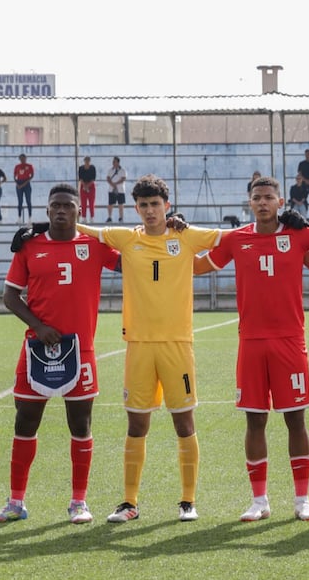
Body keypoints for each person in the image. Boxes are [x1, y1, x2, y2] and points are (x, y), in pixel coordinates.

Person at [194, 176, 309, 522]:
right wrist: (170, 241)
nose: (262, 202)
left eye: (268, 197)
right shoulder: (237, 239)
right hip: (250, 343)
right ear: (249, 203)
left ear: (280, 202)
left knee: (296, 419)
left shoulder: (299, 234)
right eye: (257, 197)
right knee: (255, 420)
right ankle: (259, 500)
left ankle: (302, 500)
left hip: (290, 342)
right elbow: (197, 265)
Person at [76, 175, 223, 523]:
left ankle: (188, 501)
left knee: (184, 423)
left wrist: (281, 223)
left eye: (155, 204)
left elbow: (230, 239)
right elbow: (82, 229)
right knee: (136, 424)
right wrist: (38, 229)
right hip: (139, 345)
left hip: (177, 345)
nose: (149, 211)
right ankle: (129, 503)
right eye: (143, 205)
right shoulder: (127, 239)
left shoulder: (185, 238)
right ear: (136, 208)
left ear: (167, 206)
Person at [0, 185, 120, 524]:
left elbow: (137, 255)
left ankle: (79, 502)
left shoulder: (95, 245)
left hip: (81, 351)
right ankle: (15, 502)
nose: (61, 210)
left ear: (78, 211)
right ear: (47, 211)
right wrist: (39, 326)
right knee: (25, 422)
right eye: (55, 206)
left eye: (68, 206)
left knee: (80, 424)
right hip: (36, 349)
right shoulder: (29, 246)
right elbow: (10, 296)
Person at [14, 153, 34, 223]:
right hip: (19, 184)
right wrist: (17, 184)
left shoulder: (29, 166)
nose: (22, 160)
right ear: (19, 159)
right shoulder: (17, 166)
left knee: (28, 201)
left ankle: (30, 218)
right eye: (21, 158)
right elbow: (15, 176)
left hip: (26, 184)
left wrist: (25, 183)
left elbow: (31, 176)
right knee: (20, 201)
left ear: (26, 158)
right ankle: (19, 217)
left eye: (23, 158)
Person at [105, 156, 126, 223]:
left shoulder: (122, 170)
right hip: (111, 189)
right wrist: (113, 185)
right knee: (110, 203)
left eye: (114, 161)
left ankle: (121, 217)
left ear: (118, 162)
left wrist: (115, 184)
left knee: (121, 204)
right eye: (113, 162)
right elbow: (108, 178)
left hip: (120, 189)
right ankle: (109, 217)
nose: (113, 163)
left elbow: (123, 179)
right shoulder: (110, 170)